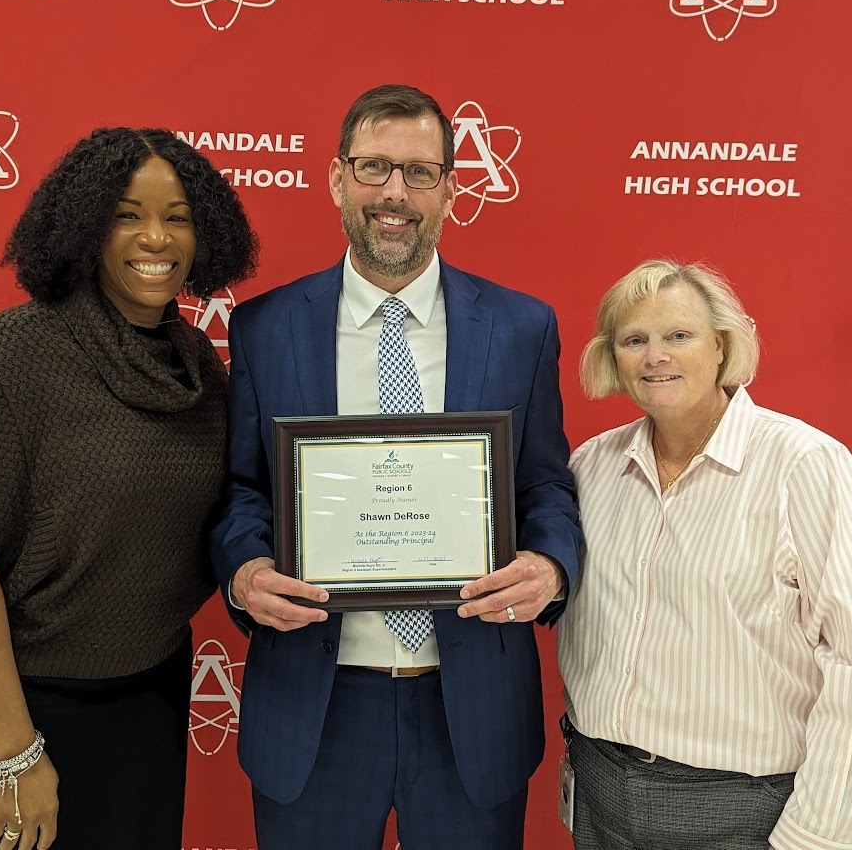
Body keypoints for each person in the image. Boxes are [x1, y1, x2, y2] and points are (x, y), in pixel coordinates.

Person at [210, 84, 584, 850]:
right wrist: (244, 570)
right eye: (374, 166)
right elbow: (243, 489)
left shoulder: (520, 327)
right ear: (336, 179)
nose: (394, 193)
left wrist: (549, 565)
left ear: (451, 185)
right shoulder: (263, 327)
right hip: (314, 706)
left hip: (468, 706)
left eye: (418, 172)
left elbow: (544, 482)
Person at [0, 127, 257, 850]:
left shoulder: (197, 368)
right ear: (86, 224)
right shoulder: (12, 353)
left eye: (179, 216)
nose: (156, 237)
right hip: (28, 710)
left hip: (150, 702)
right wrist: (16, 748)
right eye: (127, 214)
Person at [557, 259, 852, 850]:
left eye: (678, 336)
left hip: (738, 811)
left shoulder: (805, 465)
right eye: (634, 340)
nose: (655, 356)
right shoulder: (591, 466)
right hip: (598, 791)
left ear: (721, 345)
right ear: (612, 358)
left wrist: (815, 837)